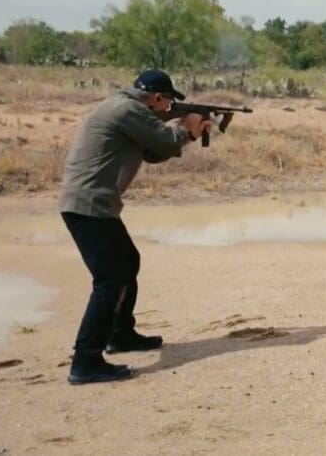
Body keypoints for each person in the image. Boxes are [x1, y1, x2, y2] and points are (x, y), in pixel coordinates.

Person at [58, 68, 212, 384]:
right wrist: (186, 130)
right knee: (110, 279)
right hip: (89, 206)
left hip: (92, 204)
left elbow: (153, 152)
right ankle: (85, 360)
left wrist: (184, 132)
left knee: (128, 261)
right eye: (167, 102)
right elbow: (167, 143)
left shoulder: (124, 108)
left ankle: (120, 334)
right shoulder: (128, 109)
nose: (167, 107)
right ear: (157, 98)